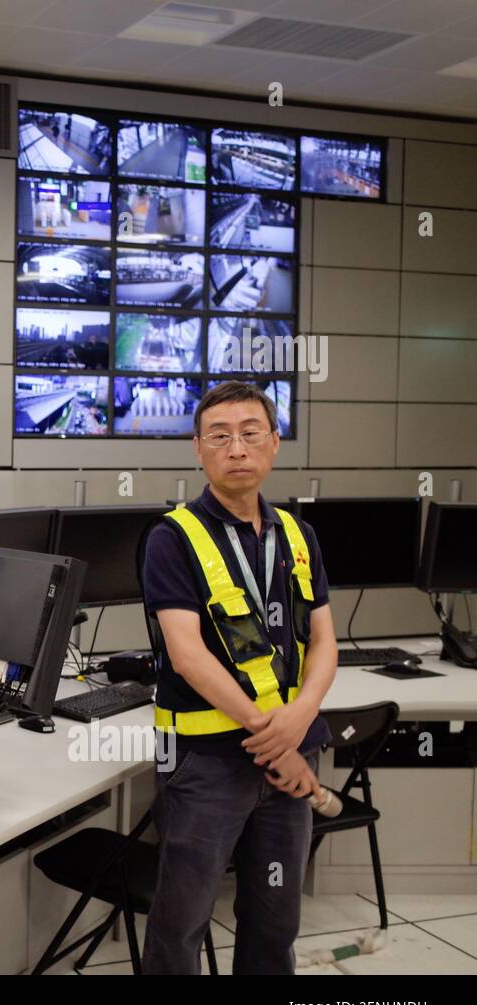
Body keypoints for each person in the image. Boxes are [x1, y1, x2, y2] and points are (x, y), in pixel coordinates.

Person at [139, 380, 335, 975]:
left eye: (251, 434)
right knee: (182, 925)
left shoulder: (298, 536)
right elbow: (187, 653)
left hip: (290, 749)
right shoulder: (173, 538)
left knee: (275, 923)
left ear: (274, 444)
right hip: (205, 763)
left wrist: (296, 723)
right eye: (219, 436)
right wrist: (270, 735)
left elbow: (324, 641)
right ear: (198, 449)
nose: (237, 448)